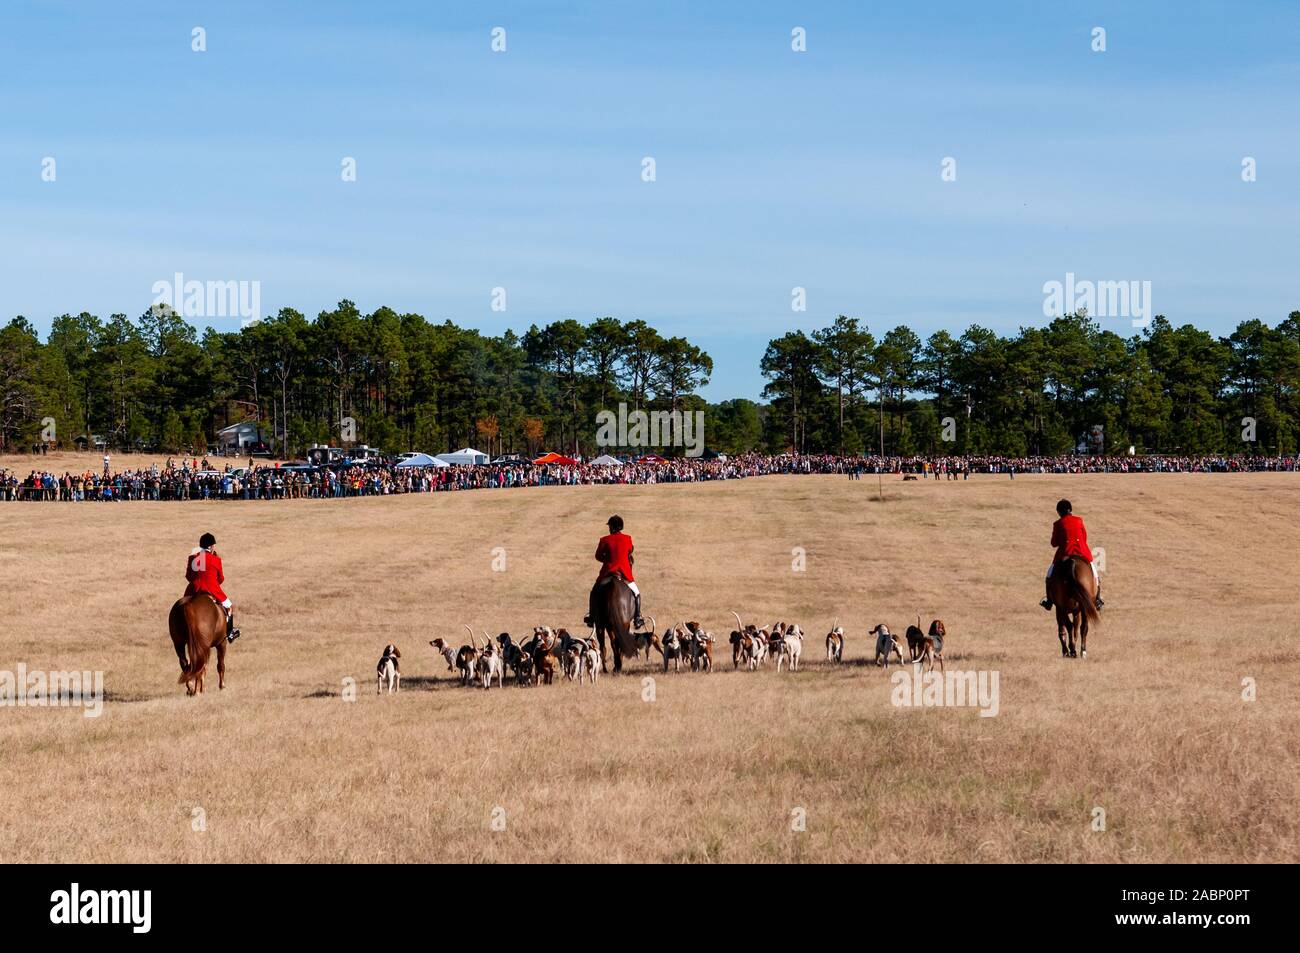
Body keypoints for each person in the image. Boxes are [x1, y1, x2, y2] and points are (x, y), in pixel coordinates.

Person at [1040, 499, 1103, 611]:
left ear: (1059, 512)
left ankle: (1049, 601)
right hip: (1082, 552)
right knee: (1095, 574)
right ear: (1071, 510)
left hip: (1065, 553)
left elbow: (1054, 543)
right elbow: (1084, 537)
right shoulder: (1079, 520)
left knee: (1049, 575)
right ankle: (1098, 599)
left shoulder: (1058, 524)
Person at [584, 514, 644, 629]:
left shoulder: (604, 540)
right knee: (636, 593)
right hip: (624, 574)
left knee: (594, 591)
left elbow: (598, 556)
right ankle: (637, 617)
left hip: (608, 573)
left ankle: (591, 617)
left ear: (611, 527)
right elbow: (630, 550)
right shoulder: (628, 538)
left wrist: (607, 559)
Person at [185, 532, 240, 642]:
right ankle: (230, 633)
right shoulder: (216, 559)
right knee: (229, 606)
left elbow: (189, 577)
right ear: (210, 546)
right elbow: (221, 579)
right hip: (211, 589)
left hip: (193, 590)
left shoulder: (193, 558)